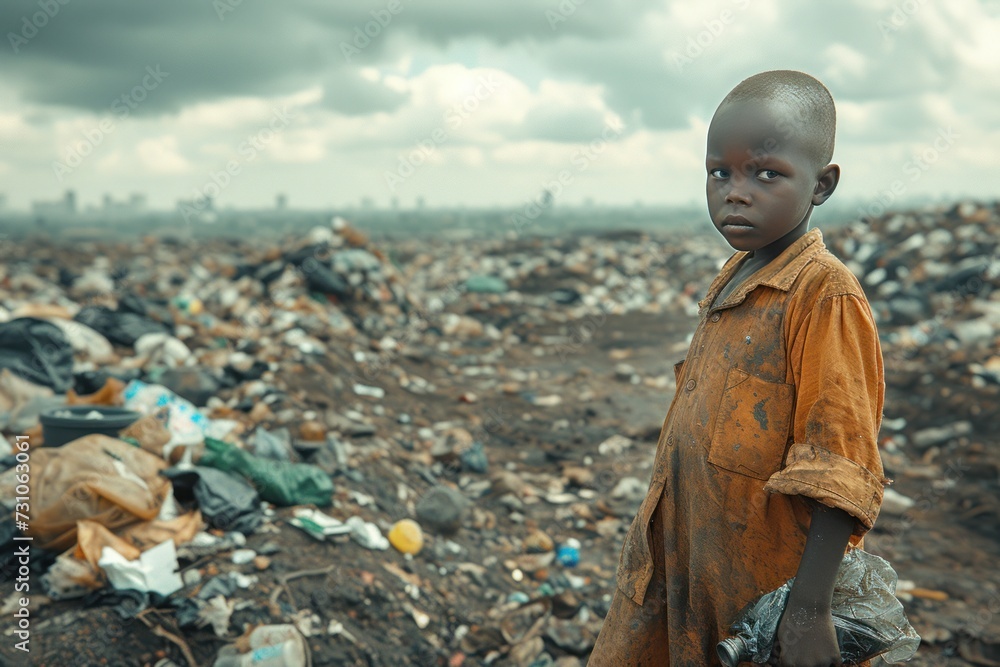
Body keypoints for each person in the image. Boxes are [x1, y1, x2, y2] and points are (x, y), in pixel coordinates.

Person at [588, 70, 887, 666]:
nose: (735, 191)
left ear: (822, 184)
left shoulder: (822, 294)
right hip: (684, 561)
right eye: (719, 172)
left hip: (760, 590)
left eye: (766, 173)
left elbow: (838, 463)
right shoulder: (736, 276)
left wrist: (806, 610)